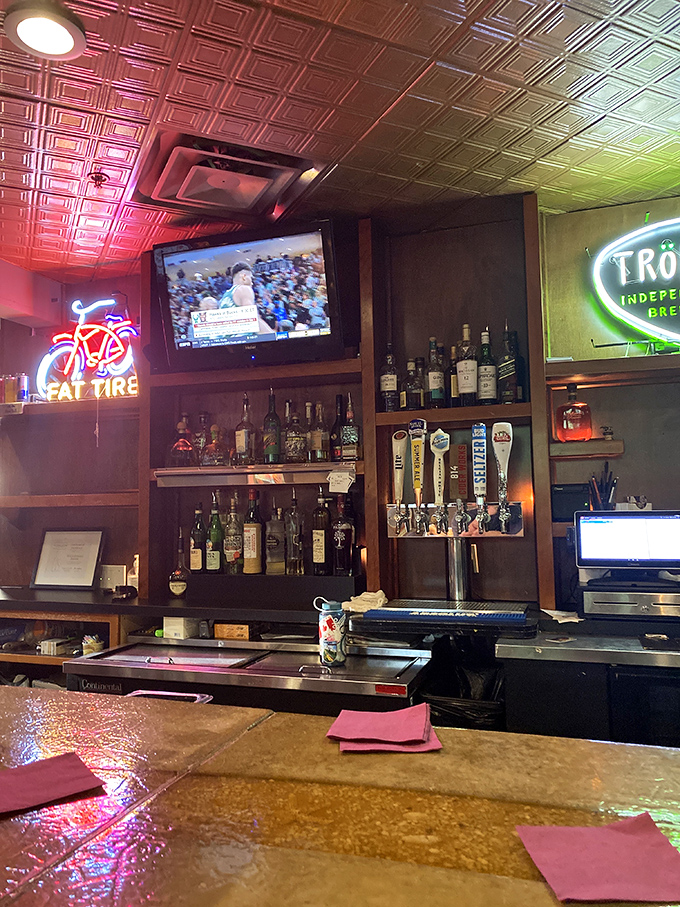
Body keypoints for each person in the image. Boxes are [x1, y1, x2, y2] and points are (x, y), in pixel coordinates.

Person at [218, 261, 273, 334]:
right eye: (251, 278)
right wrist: (274, 337)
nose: (252, 283)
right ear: (244, 277)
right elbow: (253, 321)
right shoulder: (244, 289)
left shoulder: (225, 296)